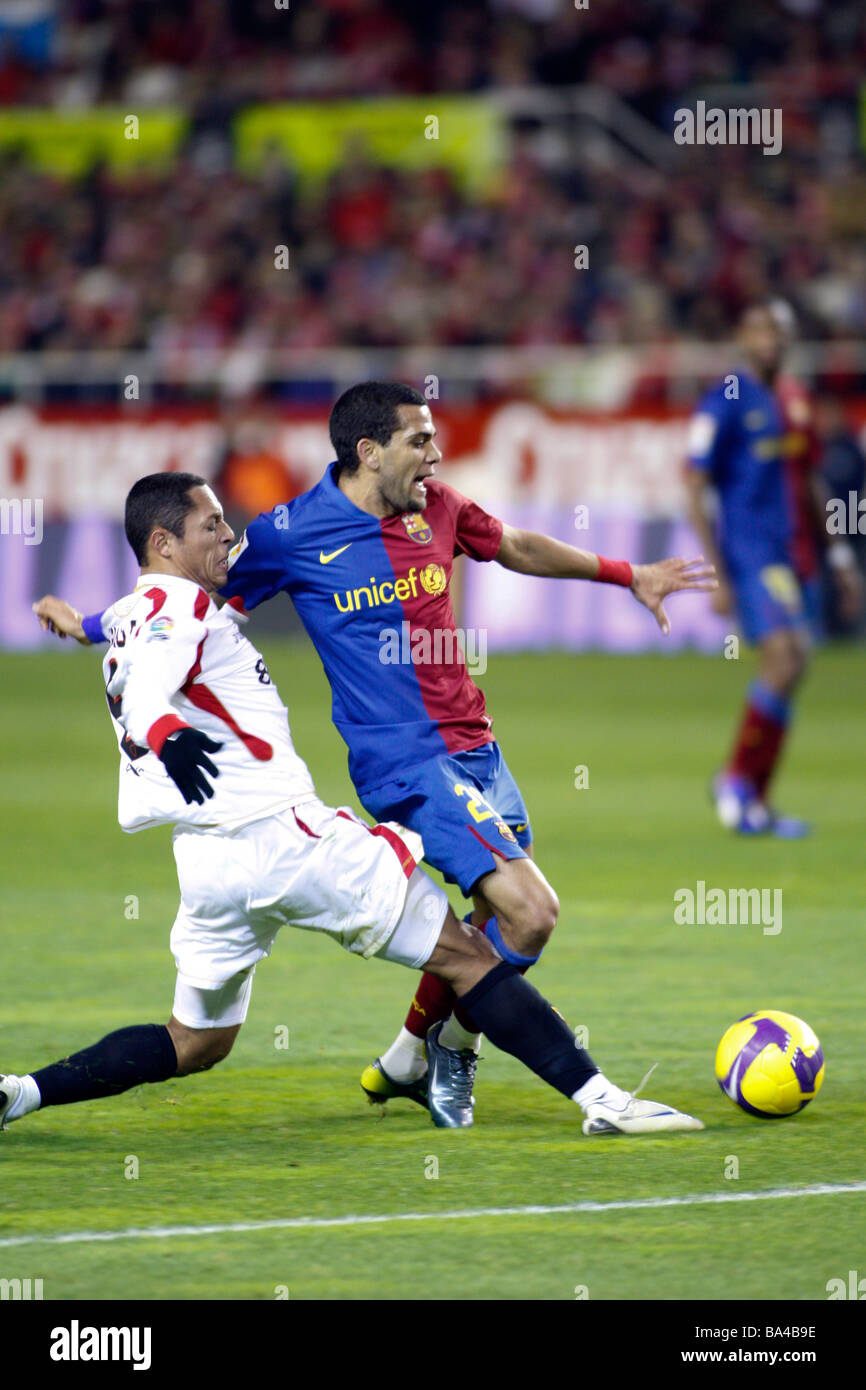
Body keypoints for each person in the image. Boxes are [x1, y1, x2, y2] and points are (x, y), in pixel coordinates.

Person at [34, 381, 715, 1127]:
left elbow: (515, 544)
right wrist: (100, 626)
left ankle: (408, 1055)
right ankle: (524, 1075)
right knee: (532, 916)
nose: (437, 453)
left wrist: (628, 575)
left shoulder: (441, 507)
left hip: (475, 746)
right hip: (402, 763)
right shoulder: (289, 533)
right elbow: (175, 606)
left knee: (494, 924)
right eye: (420, 440)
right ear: (370, 451)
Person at [684, 303, 851, 837]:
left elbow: (809, 484)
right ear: (742, 336)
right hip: (750, 553)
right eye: (760, 330)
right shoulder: (725, 400)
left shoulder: (797, 401)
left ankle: (753, 795)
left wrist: (841, 555)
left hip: (792, 554)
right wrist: (717, 572)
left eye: (780, 330)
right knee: (783, 655)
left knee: (795, 661)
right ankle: (737, 781)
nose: (771, 340)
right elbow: (694, 483)